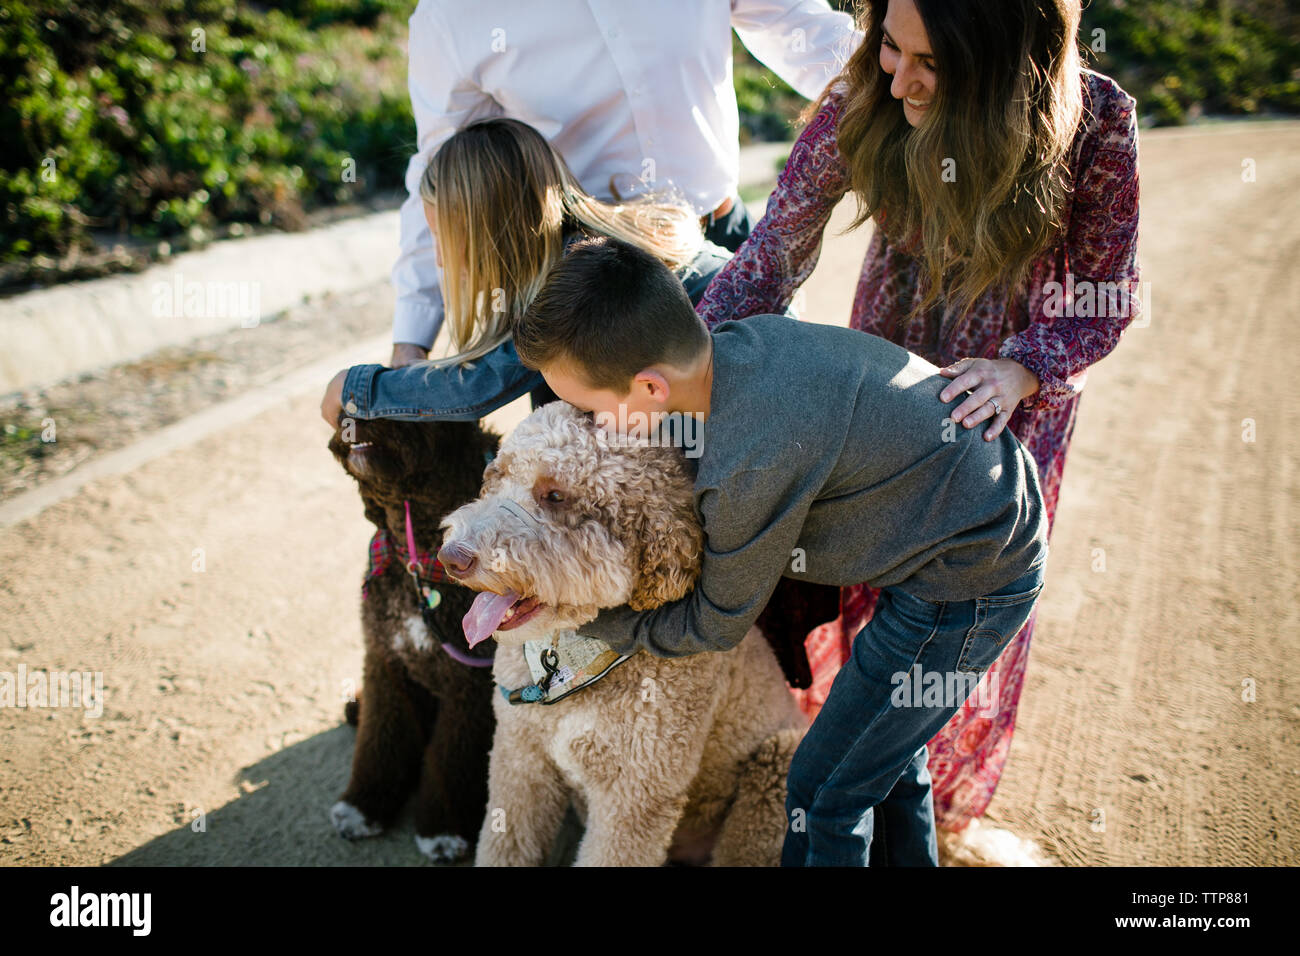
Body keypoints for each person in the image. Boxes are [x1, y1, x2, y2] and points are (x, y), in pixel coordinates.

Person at [692, 0, 1142, 837]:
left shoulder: (1098, 121)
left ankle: (869, 808)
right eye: (890, 47)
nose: (900, 78)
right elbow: (770, 257)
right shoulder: (865, 93)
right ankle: (878, 811)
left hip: (1005, 397)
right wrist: (682, 379)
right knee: (871, 607)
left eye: (930, 63)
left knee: (947, 614)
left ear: (1009, 65)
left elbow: (1107, 299)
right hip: (893, 353)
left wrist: (1023, 369)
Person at [514, 234, 1049, 866]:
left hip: (971, 576)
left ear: (651, 389)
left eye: (591, 409)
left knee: (823, 790)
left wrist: (590, 621)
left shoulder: (747, 464)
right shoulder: (742, 345)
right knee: (883, 754)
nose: (593, 427)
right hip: (968, 516)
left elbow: (715, 621)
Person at [383, 0, 863, 371]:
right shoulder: (451, 15)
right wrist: (411, 343)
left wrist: (918, 73)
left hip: (726, 245)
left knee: (773, 450)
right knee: (603, 492)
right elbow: (443, 177)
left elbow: (806, 32)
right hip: (581, 292)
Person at [320, 117, 727, 425]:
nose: (442, 261)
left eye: (445, 239)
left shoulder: (574, 280)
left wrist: (359, 390)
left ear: (493, 232)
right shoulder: (590, 242)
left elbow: (476, 387)